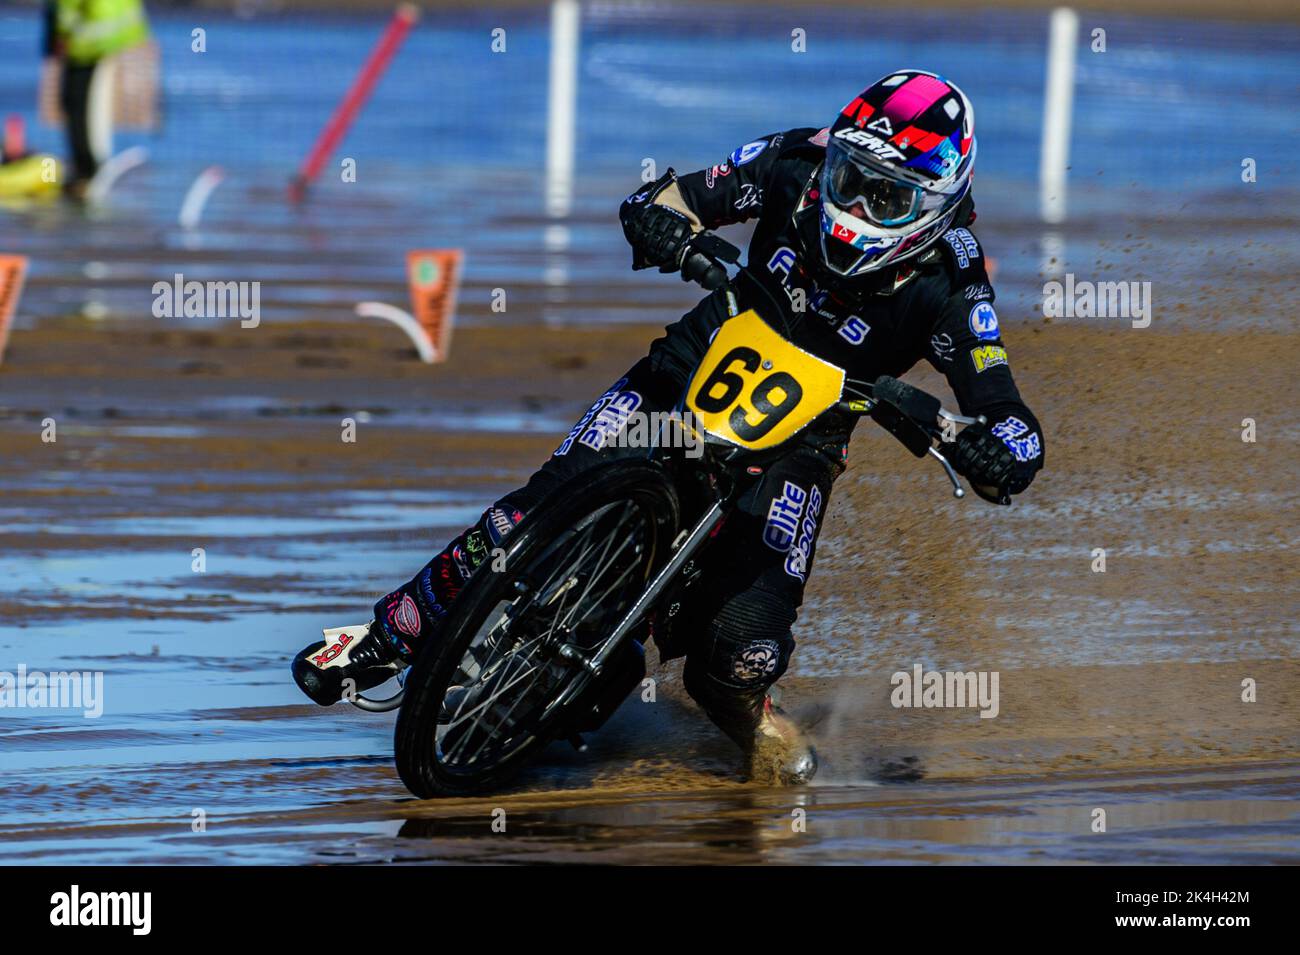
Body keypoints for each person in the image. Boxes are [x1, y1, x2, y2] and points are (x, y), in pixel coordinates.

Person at [293, 70, 1046, 785]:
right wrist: (667, 229)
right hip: (690, 362)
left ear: (935, 207)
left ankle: (745, 711)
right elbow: (673, 196)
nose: (854, 206)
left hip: (805, 441)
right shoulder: (795, 161)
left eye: (886, 198)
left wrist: (985, 446)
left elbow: (1015, 425)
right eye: (852, 180)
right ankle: (387, 636)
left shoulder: (956, 283)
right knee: (525, 513)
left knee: (738, 651)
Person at [41, 0, 150, 197]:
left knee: (81, 108)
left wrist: (61, 33)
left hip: (89, 43)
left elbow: (68, 8)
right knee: (89, 107)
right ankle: (89, 171)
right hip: (108, 36)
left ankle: (88, 173)